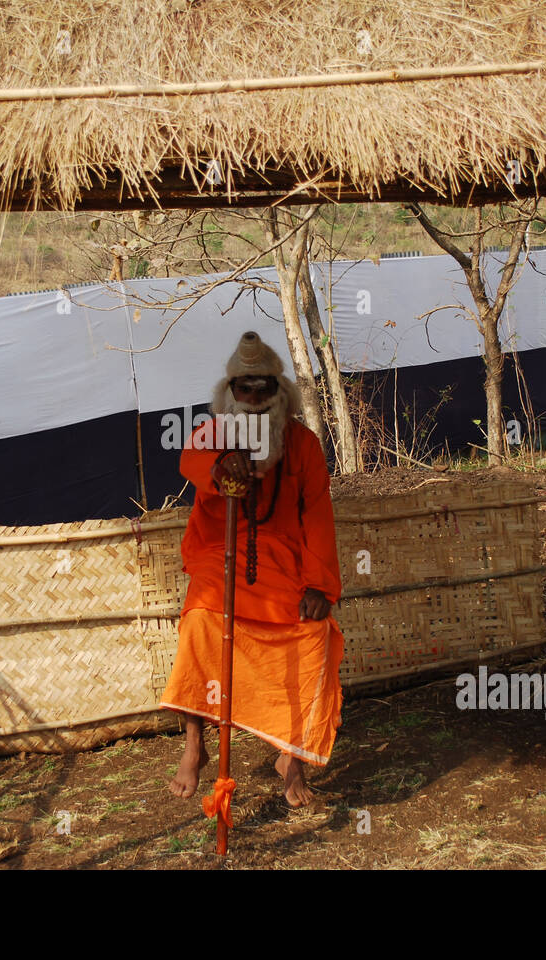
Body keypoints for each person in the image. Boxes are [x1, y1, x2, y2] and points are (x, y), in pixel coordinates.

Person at [160, 331, 345, 808]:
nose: (256, 399)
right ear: (231, 393)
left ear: (280, 392)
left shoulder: (302, 443)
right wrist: (224, 464)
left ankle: (292, 757)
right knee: (200, 621)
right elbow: (190, 458)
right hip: (220, 557)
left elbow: (318, 514)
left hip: (284, 563)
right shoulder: (215, 432)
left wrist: (319, 584)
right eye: (246, 389)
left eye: (265, 389)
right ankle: (195, 746)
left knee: (313, 633)